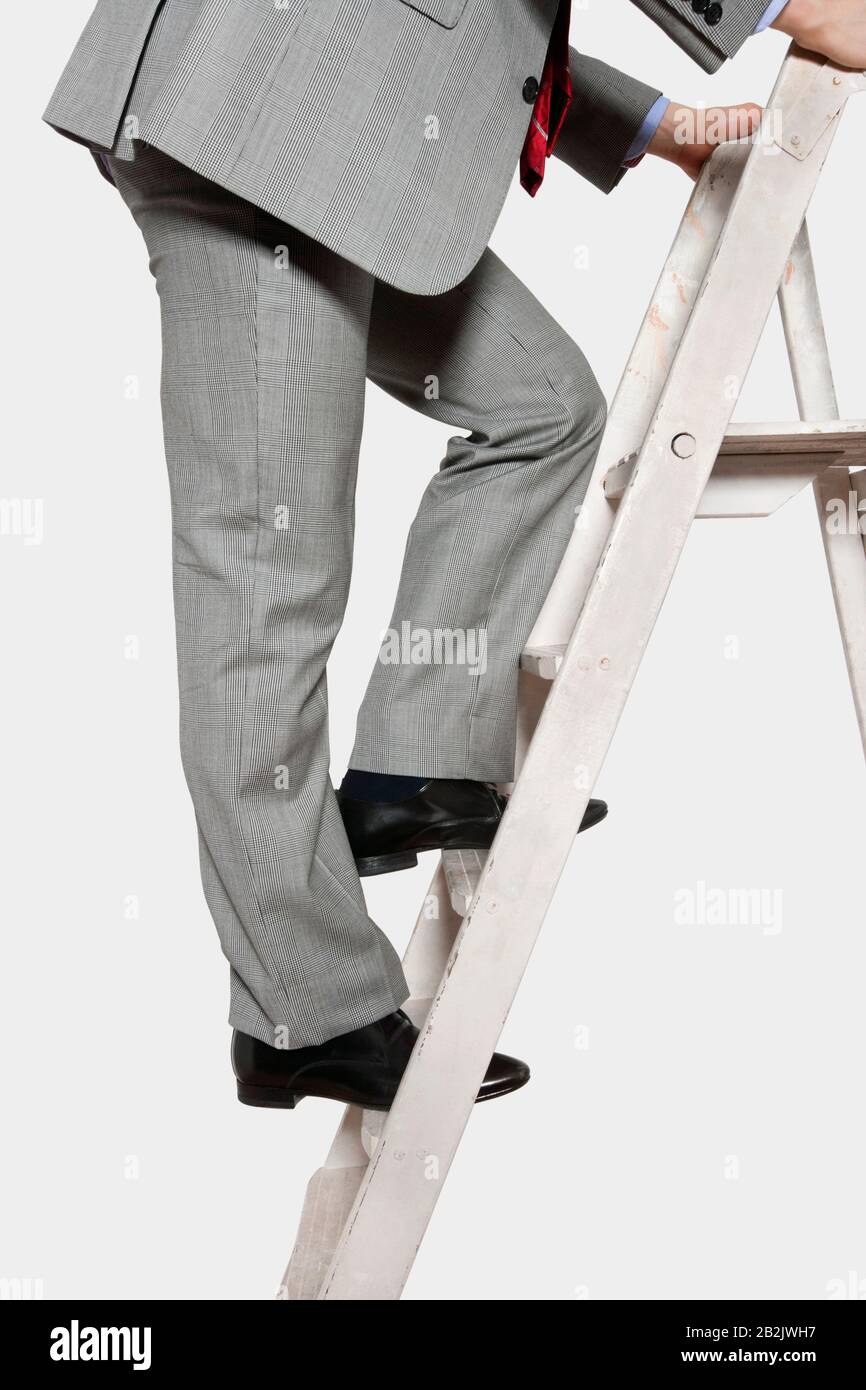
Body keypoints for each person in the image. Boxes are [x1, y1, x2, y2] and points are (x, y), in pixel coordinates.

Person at [42, 0, 865, 1112]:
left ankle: (409, 766)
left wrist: (647, 124)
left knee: (541, 407)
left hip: (326, 149)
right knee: (265, 582)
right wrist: (791, 9)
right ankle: (303, 1008)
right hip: (252, 141)